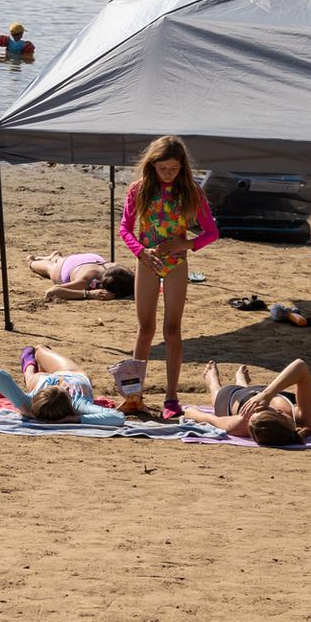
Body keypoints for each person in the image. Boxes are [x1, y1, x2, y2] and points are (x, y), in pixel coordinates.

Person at [118, 134, 219, 421]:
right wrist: (140, 251)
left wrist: (185, 244)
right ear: (153, 165)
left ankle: (171, 396)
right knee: (145, 329)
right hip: (147, 262)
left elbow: (211, 232)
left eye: (173, 169)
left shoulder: (191, 191)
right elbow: (125, 228)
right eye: (163, 168)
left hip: (177, 263)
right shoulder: (139, 189)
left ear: (182, 167)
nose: (168, 174)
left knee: (172, 329)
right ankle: (134, 394)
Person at [179, 359, 311, 444]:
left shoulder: (243, 424)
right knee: (255, 392)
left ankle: (213, 381)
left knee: (218, 394)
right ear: (279, 412)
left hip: (233, 399)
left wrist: (190, 412)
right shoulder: (306, 420)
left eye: (254, 411)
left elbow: (210, 419)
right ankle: (242, 382)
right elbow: (301, 366)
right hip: (263, 390)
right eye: (261, 409)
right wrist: (267, 395)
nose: (256, 407)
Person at [0, 344, 127, 427]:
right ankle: (31, 362)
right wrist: (77, 418)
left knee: (33, 373)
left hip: (42, 381)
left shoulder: (29, 402)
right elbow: (118, 417)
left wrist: (23, 408)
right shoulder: (80, 405)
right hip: (72, 374)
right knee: (40, 349)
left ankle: (28, 364)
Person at [29, 251, 135, 301]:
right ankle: (31, 261)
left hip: (93, 258)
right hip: (67, 266)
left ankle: (55, 256)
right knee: (50, 268)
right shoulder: (87, 279)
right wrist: (88, 293)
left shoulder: (122, 271)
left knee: (56, 261)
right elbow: (51, 292)